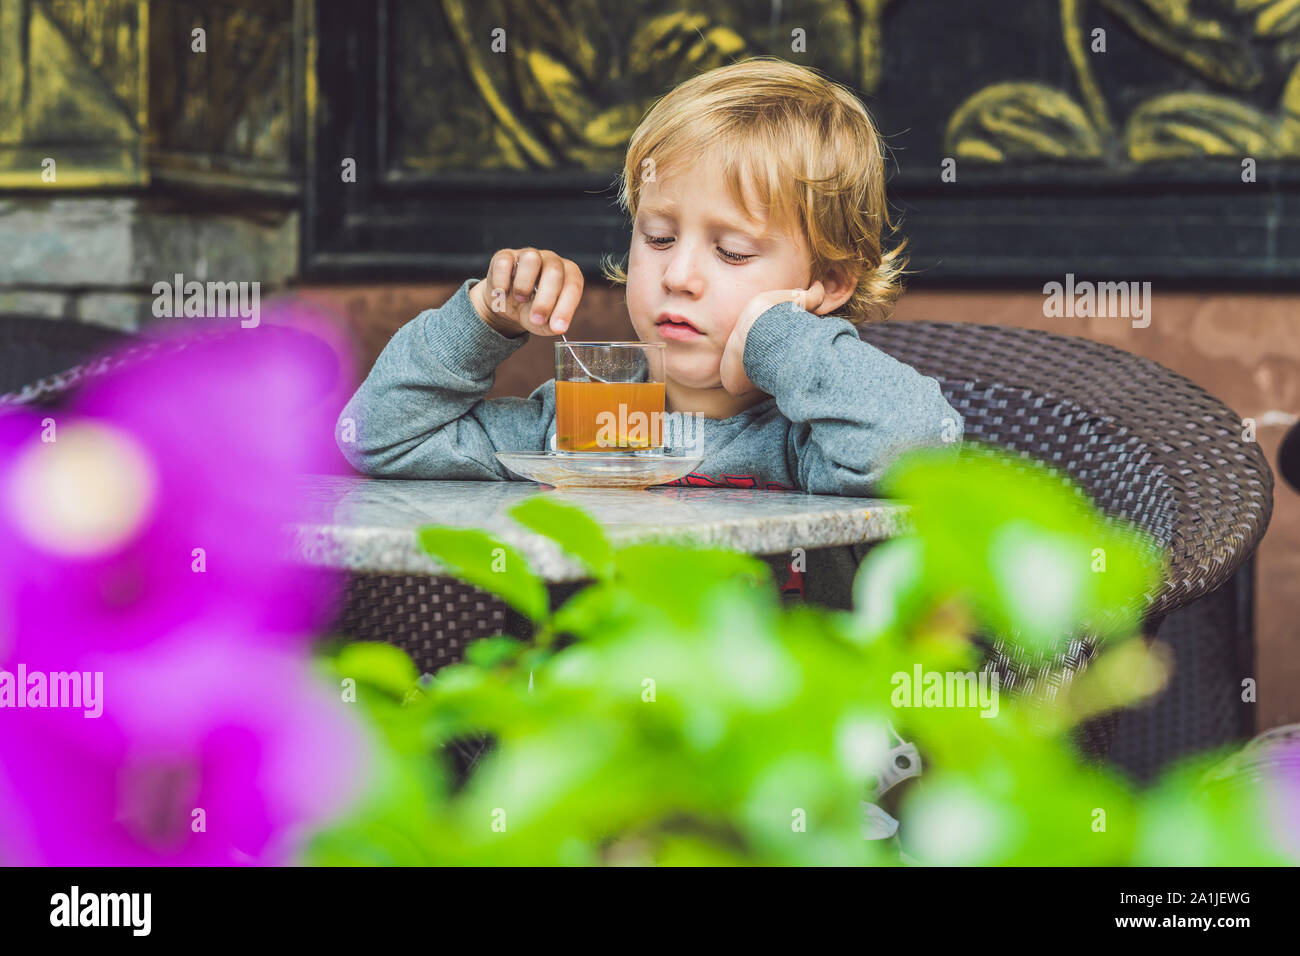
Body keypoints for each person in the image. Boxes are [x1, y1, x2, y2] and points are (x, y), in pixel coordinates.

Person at [336, 57, 965, 603]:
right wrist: (481, 320)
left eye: (734, 253)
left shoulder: (806, 443)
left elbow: (913, 444)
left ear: (827, 282)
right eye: (658, 238)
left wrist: (778, 333)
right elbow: (377, 438)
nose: (680, 275)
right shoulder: (584, 425)